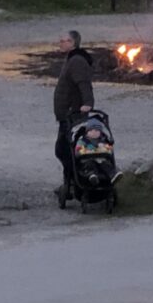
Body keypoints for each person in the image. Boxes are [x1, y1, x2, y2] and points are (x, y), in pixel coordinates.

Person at [53, 30, 94, 196]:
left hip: (73, 115)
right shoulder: (71, 59)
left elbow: (84, 84)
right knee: (65, 150)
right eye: (61, 40)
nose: (61, 43)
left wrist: (88, 103)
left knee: (65, 150)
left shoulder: (77, 61)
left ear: (73, 43)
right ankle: (70, 183)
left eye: (65, 40)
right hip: (66, 115)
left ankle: (74, 183)